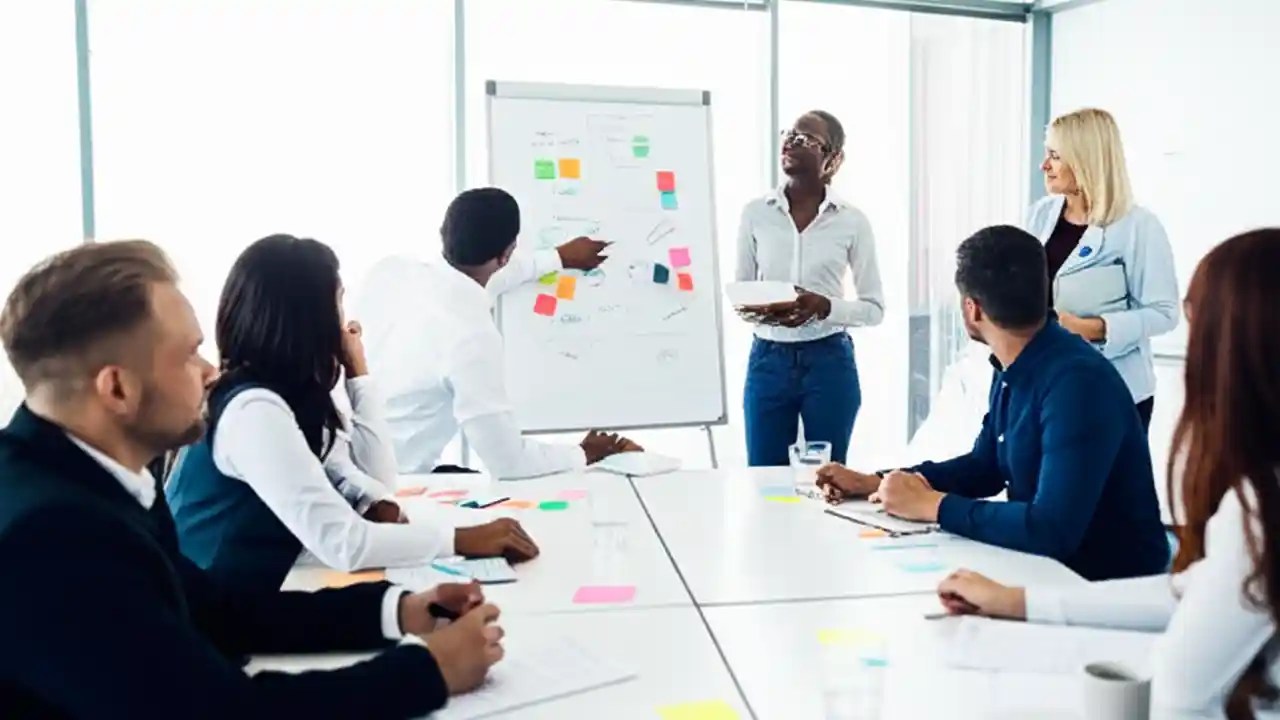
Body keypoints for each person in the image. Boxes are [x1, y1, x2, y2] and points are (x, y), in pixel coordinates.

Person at [0, 240, 503, 717]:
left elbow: (214, 612)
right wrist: (430, 671)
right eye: (187, 355)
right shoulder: (51, 534)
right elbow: (220, 713)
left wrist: (398, 610)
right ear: (117, 388)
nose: (208, 372)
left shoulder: (88, 477)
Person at [937, 229, 1280, 720]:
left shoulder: (1258, 509)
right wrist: (1017, 601)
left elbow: (1176, 697)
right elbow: (1192, 590)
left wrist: (938, 507)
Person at [166, 235, 539, 595]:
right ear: (311, 318)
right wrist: (464, 539)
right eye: (338, 303)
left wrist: (358, 372)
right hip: (209, 611)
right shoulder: (253, 411)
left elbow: (376, 476)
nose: (345, 321)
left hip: (257, 586)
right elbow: (344, 543)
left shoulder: (291, 397)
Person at [817, 225, 1168, 581]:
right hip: (1047, 574)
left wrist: (933, 506)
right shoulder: (1016, 359)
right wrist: (878, 482)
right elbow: (986, 467)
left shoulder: (1077, 384)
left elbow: (1051, 530)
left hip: (1108, 590)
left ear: (972, 310)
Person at [357, 188, 639, 478]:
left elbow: (485, 280)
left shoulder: (389, 272)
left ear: (443, 231)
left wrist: (557, 258)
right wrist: (584, 453)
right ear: (507, 253)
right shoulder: (470, 337)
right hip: (394, 484)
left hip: (339, 461)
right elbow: (508, 462)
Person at [734, 110, 884, 466]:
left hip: (829, 361)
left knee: (829, 479)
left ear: (831, 159)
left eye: (805, 138)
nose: (790, 141)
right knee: (765, 479)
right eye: (789, 133)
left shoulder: (852, 221)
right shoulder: (756, 213)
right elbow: (741, 291)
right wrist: (766, 306)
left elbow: (874, 309)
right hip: (768, 361)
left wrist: (824, 307)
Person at [1026, 108, 1179, 433]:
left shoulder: (1139, 226)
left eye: (1054, 155)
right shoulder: (1041, 215)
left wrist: (1091, 328)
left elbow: (1164, 313)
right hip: (1048, 382)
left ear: (1084, 160)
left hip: (1115, 390)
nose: (1044, 166)